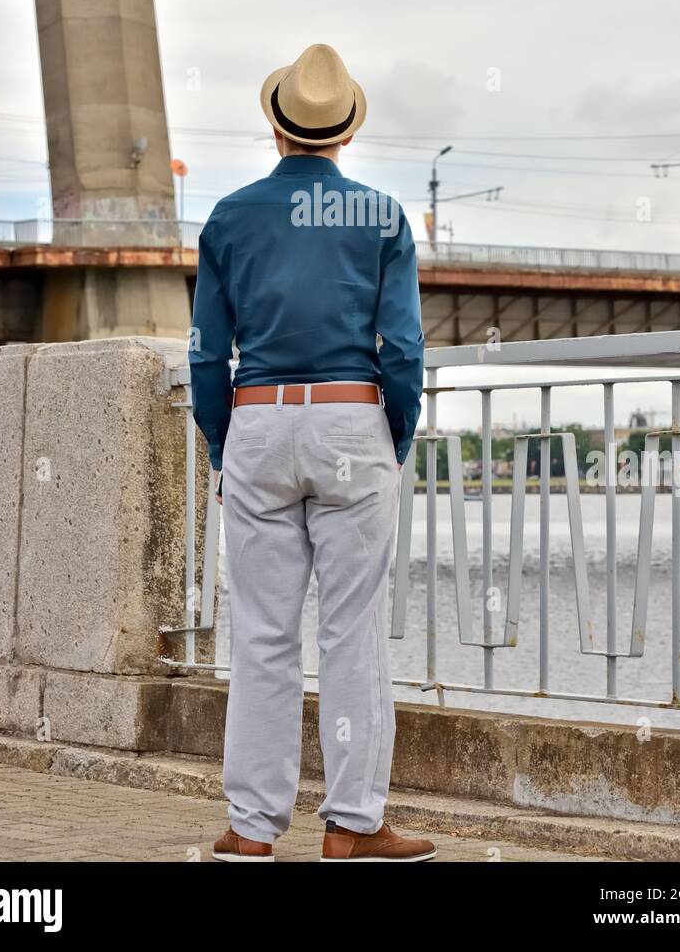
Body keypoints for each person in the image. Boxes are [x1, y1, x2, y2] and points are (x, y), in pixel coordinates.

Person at [190, 43, 433, 862]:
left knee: (260, 632)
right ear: (343, 134)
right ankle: (351, 826)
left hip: (257, 418)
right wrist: (391, 434)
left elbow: (203, 354)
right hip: (348, 423)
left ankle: (250, 830)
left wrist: (226, 448)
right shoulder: (381, 216)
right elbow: (400, 349)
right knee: (350, 631)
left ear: (276, 126)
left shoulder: (228, 217)